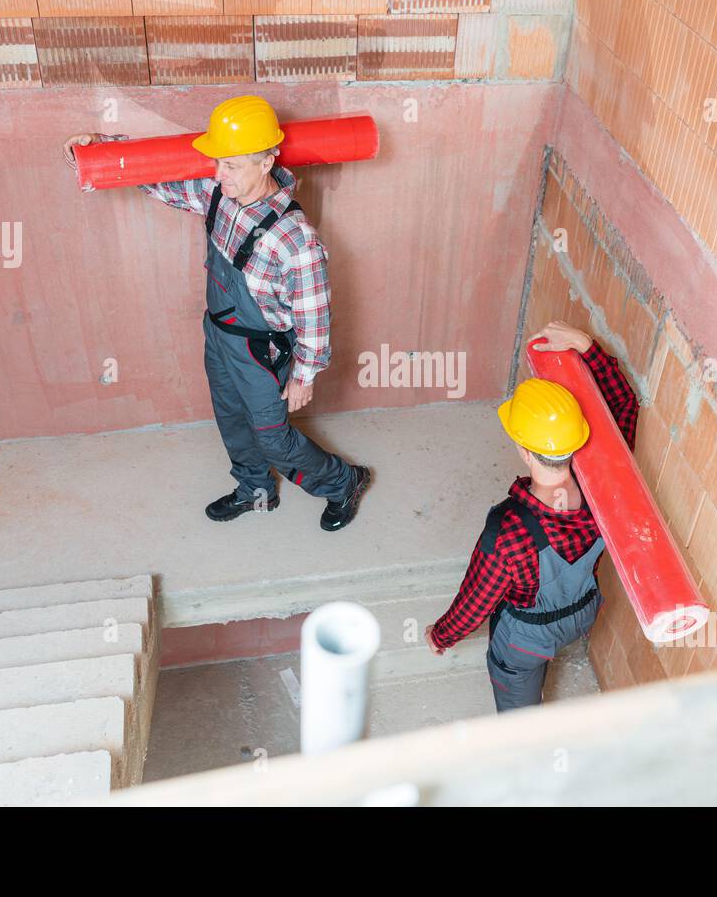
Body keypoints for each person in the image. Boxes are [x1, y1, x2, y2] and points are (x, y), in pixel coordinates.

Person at [62, 96, 370, 531]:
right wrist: (100, 149)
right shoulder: (219, 194)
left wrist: (304, 375)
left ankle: (343, 483)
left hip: (261, 352)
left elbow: (314, 318)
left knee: (274, 438)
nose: (217, 173)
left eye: (231, 165)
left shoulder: (296, 242)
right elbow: (157, 179)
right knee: (230, 419)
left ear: (266, 162)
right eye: (217, 162)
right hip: (219, 336)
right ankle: (255, 492)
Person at [425, 320, 639, 711]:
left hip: (526, 641)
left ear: (524, 451)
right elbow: (624, 405)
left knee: (518, 703)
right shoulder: (607, 482)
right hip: (583, 614)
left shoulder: (507, 531)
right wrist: (587, 347)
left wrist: (440, 636)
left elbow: (475, 604)